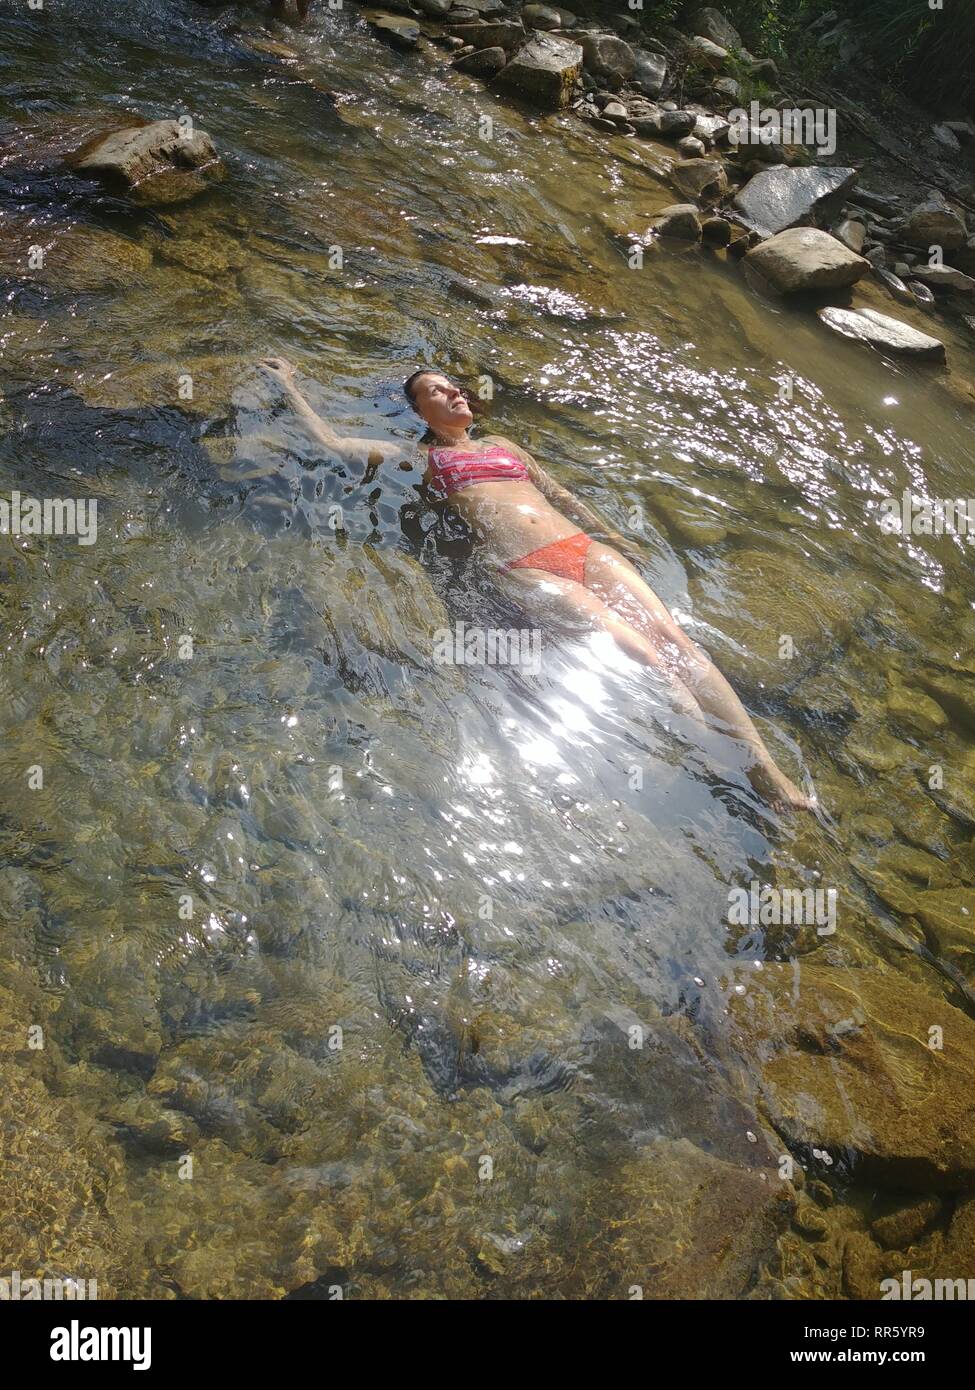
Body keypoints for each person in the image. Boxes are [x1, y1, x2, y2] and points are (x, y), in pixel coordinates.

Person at [259, 357, 813, 810]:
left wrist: (612, 534)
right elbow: (331, 442)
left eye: (454, 386)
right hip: (525, 566)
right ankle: (723, 765)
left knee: (678, 645)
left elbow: (559, 494)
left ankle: (767, 775)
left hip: (584, 549)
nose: (454, 392)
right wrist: (289, 385)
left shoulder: (504, 445)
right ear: (418, 410)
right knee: (646, 657)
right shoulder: (421, 457)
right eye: (436, 391)